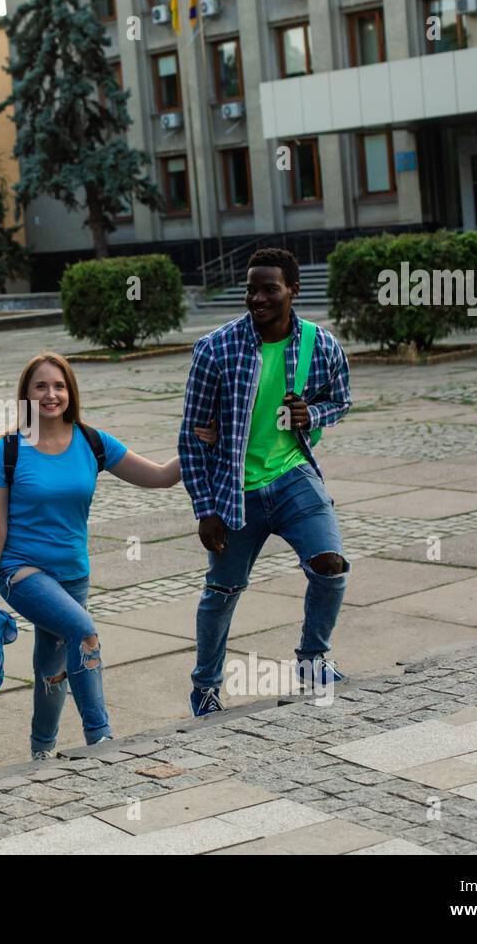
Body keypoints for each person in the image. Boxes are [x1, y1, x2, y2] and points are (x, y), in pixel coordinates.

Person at [0, 352, 182, 759]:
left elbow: (159, 477)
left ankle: (40, 753)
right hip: (20, 571)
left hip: (72, 575)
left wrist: (199, 445)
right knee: (83, 631)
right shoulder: (7, 451)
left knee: (52, 670)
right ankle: (101, 740)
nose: (51, 394)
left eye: (59, 386)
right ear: (27, 394)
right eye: (41, 386)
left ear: (71, 392)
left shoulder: (92, 441)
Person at [179, 248, 353, 717]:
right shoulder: (216, 348)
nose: (257, 298)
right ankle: (206, 688)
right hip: (235, 490)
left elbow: (341, 399)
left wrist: (311, 412)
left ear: (293, 290)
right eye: (251, 289)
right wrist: (205, 509)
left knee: (330, 563)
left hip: (291, 472)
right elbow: (190, 436)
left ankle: (313, 659)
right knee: (222, 591)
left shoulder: (320, 344)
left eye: (269, 289)